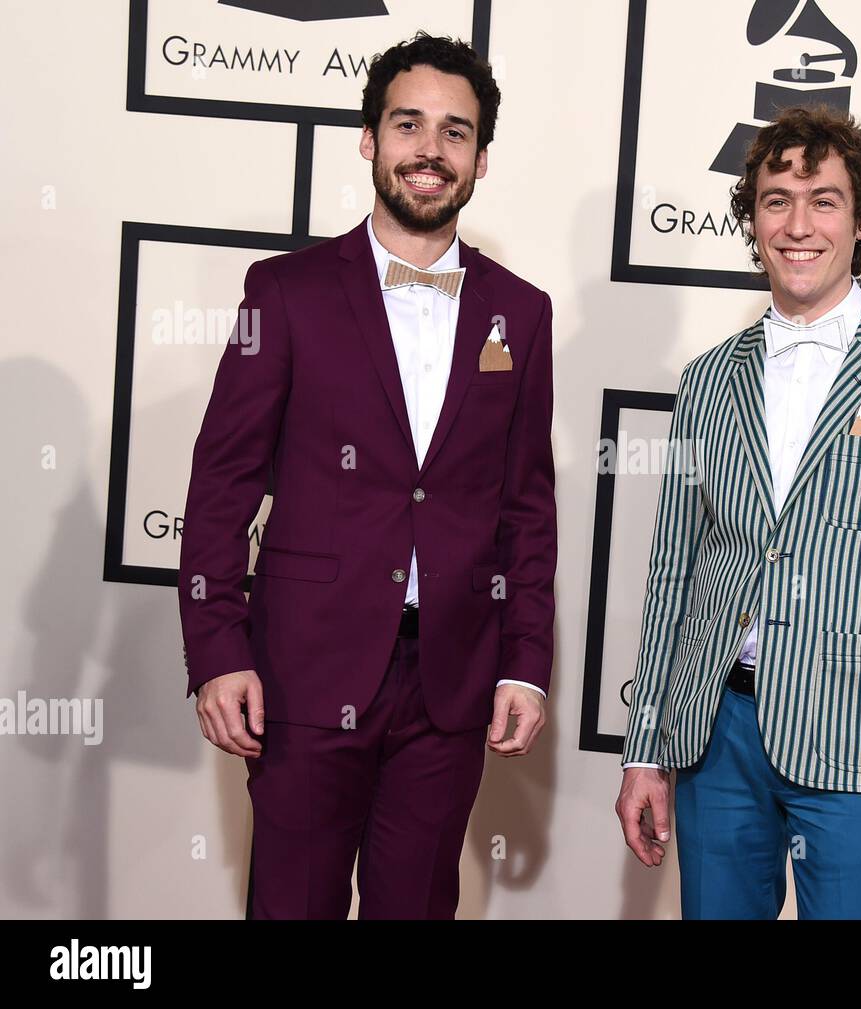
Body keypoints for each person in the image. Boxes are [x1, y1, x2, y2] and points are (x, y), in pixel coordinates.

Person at [178, 33, 556, 919]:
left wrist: (526, 665)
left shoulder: (521, 312)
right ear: (369, 139)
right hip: (302, 673)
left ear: (481, 158)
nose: (431, 149)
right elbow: (221, 485)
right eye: (409, 123)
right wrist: (218, 650)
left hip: (450, 684)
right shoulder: (285, 293)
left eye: (455, 132)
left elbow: (526, 507)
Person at [615, 104, 861, 919]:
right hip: (716, 732)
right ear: (752, 221)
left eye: (823, 200)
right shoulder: (708, 380)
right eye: (776, 199)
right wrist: (645, 744)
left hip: (860, 740)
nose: (799, 224)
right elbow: (671, 575)